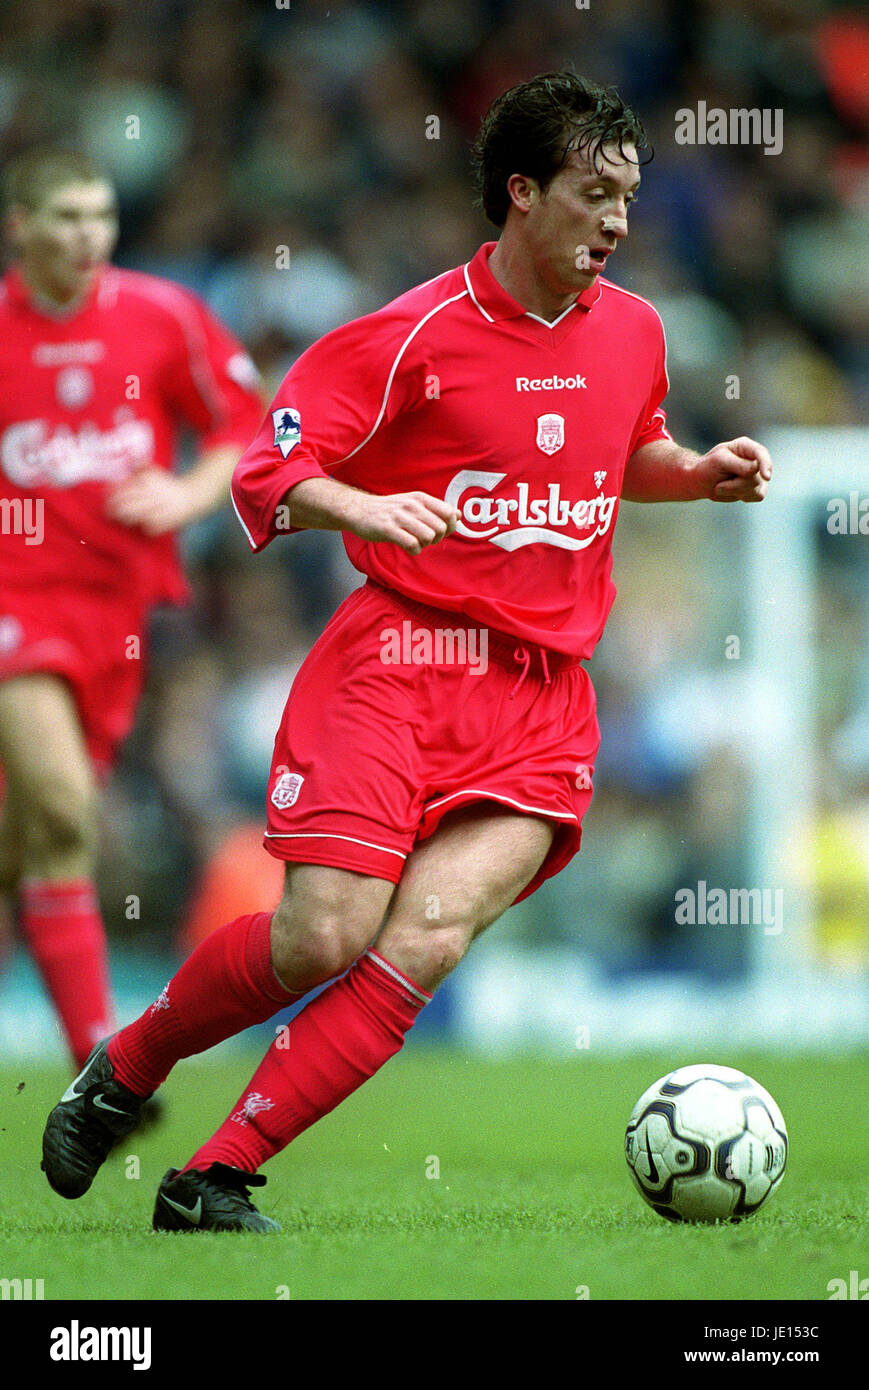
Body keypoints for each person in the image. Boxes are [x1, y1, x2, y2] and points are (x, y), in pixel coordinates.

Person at [41, 73, 772, 1232]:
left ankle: (214, 1178)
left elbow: (622, 450)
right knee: (319, 936)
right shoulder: (410, 335)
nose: (617, 222)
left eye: (626, 196)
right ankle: (125, 1067)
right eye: (593, 194)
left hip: (543, 697)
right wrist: (365, 510)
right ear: (521, 194)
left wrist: (694, 473)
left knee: (423, 942)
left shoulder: (633, 330)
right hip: (399, 666)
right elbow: (264, 473)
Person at [0, 148, 264, 1074]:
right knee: (69, 813)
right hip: (14, 606)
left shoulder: (162, 316)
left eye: (101, 216)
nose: (88, 236)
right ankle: (95, 1065)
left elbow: (243, 423)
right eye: (67, 217)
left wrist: (189, 498)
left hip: (119, 613)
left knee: (24, 842)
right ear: (20, 226)